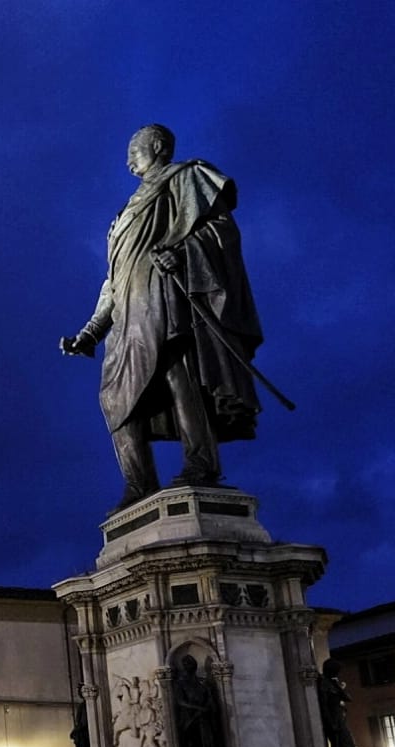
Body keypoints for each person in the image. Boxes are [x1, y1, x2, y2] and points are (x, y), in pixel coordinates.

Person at [61, 124, 263, 512]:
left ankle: (201, 465)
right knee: (114, 399)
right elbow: (113, 280)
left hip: (164, 297)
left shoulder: (187, 178)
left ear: (156, 146)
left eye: (133, 150)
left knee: (176, 376)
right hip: (126, 314)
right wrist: (90, 332)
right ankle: (138, 486)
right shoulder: (121, 217)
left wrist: (182, 252)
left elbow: (223, 231)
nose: (127, 160)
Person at [172, 654, 227, 747]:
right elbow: (180, 701)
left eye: (192, 663)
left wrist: (208, 706)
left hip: (204, 720)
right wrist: (198, 708)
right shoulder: (180, 683)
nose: (190, 665)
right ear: (184, 667)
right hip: (190, 721)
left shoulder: (202, 683)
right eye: (187, 663)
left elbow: (209, 698)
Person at [316, 658, 357, 747]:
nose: (338, 673)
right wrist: (329, 722)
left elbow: (348, 698)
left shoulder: (333, 684)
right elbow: (323, 706)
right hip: (333, 722)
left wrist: (338, 686)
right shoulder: (323, 684)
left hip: (341, 720)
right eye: (337, 671)